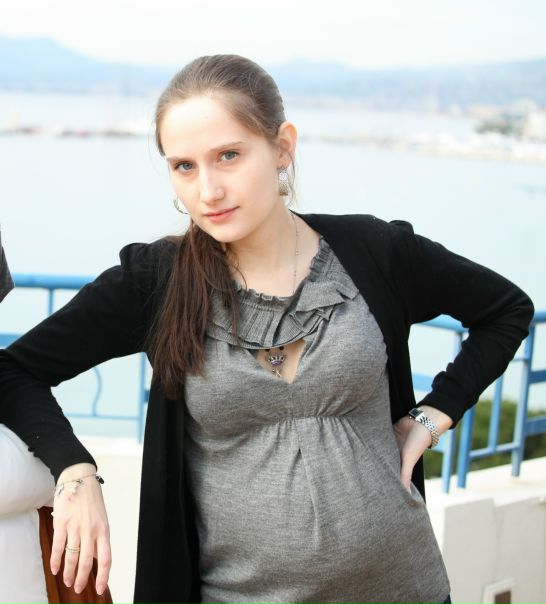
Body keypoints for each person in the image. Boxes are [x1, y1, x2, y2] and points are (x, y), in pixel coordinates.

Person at [0, 55, 534, 604]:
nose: (208, 190)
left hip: (408, 588)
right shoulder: (155, 281)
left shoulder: (373, 253)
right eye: (184, 166)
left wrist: (431, 416)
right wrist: (75, 469)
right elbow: (14, 370)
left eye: (228, 156)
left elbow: (506, 310)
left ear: (282, 147)